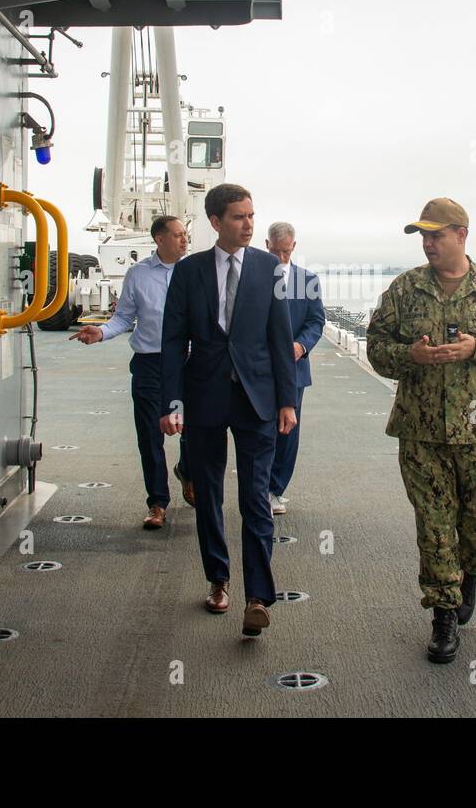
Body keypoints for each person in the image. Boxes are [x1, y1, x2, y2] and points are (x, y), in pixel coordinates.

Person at [365, 197, 476, 664]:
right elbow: (377, 348)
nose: (427, 244)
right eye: (422, 236)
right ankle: (443, 614)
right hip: (421, 433)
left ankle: (470, 573)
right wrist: (410, 357)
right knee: (436, 524)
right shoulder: (404, 291)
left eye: (435, 235)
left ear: (461, 234)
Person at [159, 184, 298, 639]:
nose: (249, 224)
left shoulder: (268, 269)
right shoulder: (190, 271)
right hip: (204, 398)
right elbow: (174, 341)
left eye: (252, 215)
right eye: (239, 217)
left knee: (255, 498)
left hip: (256, 398)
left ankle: (258, 596)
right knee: (209, 495)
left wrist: (286, 401)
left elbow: (280, 339)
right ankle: (218, 580)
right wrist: (172, 403)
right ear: (215, 222)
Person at [69, 215, 194, 529]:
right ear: (159, 240)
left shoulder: (196, 272)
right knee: (149, 436)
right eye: (178, 235)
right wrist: (101, 332)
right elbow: (123, 318)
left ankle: (188, 472)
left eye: (185, 235)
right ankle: (157, 503)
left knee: (196, 430)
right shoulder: (137, 275)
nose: (184, 240)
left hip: (188, 363)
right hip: (149, 364)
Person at [265, 221, 325, 514]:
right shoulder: (251, 277)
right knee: (262, 429)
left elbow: (316, 321)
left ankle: (275, 489)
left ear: (294, 247)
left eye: (286, 252)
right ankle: (259, 487)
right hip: (260, 369)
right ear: (267, 246)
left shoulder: (308, 280)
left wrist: (301, 346)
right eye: (277, 251)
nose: (281, 258)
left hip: (295, 368)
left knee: (287, 431)